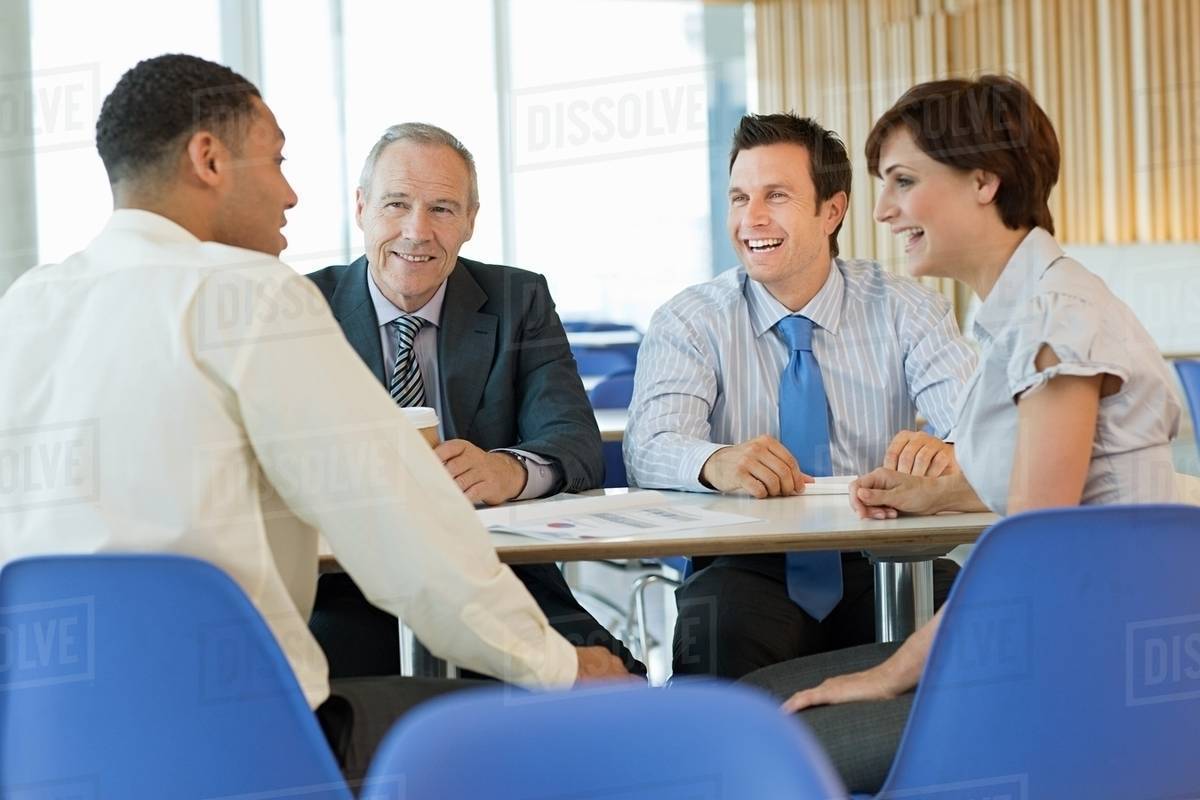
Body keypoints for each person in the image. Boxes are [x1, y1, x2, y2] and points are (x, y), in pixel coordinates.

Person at [0, 54, 631, 783]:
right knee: (515, 728)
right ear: (208, 159)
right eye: (276, 160)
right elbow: (406, 533)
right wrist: (558, 668)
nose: (291, 193)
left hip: (45, 750)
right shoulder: (254, 296)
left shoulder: (24, 308)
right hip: (243, 746)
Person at [742, 75, 1182, 793]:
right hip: (1057, 640)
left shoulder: (1053, 326)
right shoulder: (1021, 313)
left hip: (1082, 673)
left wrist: (888, 676)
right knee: (750, 702)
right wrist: (936, 494)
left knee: (761, 744)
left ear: (984, 179)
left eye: (904, 181)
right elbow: (1048, 477)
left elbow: (1032, 555)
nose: (881, 211)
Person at [623, 112, 977, 680]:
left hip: (885, 558)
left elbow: (980, 424)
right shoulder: (690, 319)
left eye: (776, 196)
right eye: (739, 198)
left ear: (831, 211)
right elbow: (647, 446)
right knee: (716, 638)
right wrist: (716, 460)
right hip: (744, 566)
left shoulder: (908, 308)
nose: (750, 219)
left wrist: (954, 449)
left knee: (981, 624)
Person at [306, 123, 643, 678]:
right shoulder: (302, 305)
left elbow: (578, 445)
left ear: (470, 220)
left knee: (622, 687)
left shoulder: (519, 299)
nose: (417, 232)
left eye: (441, 209)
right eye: (396, 204)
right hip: (348, 586)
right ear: (362, 207)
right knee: (328, 711)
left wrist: (507, 471)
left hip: (499, 579)